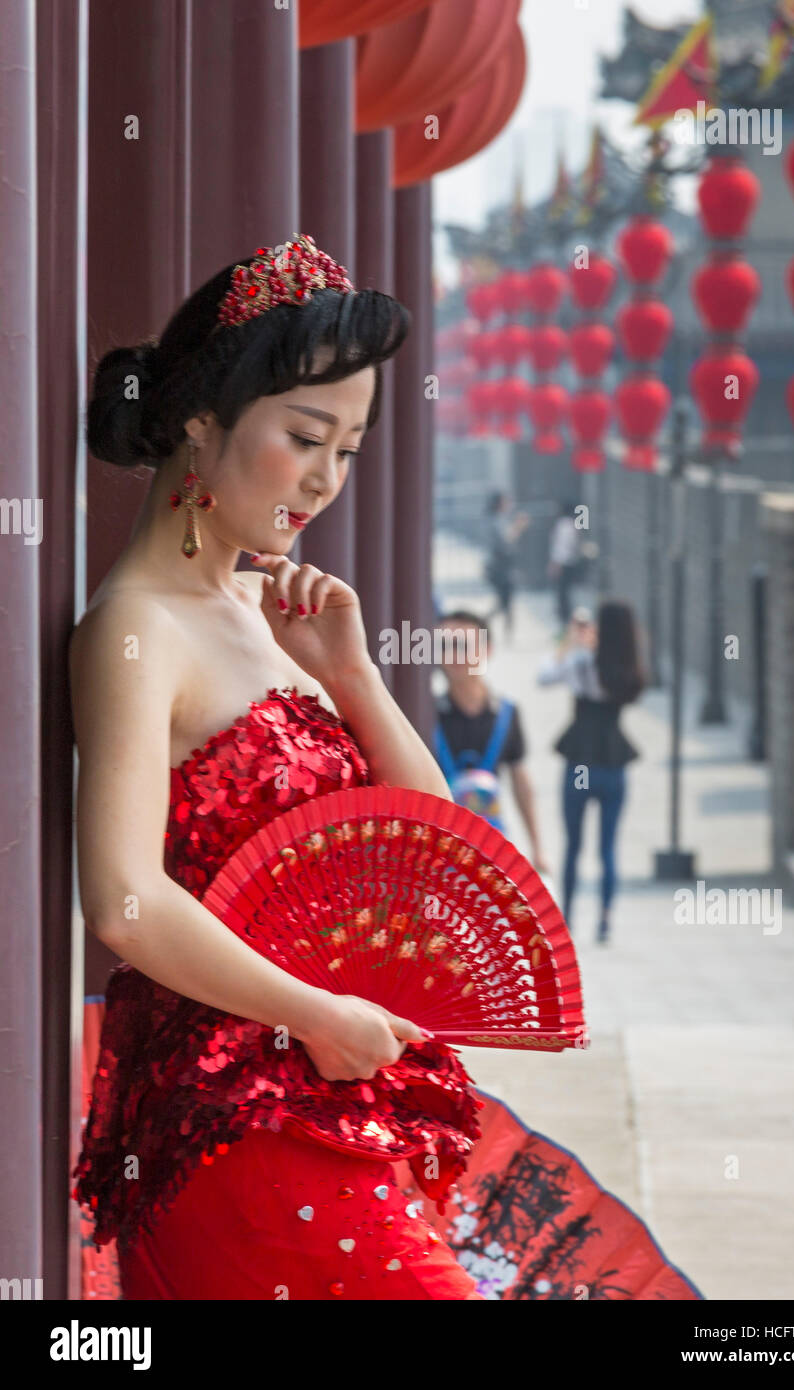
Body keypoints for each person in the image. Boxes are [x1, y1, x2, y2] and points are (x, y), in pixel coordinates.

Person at [71, 236, 697, 1302]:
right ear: (199, 418)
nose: (323, 478)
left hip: (336, 1106)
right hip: (239, 1128)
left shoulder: (259, 614)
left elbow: (434, 844)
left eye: (349, 450)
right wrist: (315, 1012)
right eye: (304, 436)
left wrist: (354, 679)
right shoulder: (136, 627)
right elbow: (125, 903)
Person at [538, 601, 646, 944]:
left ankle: (567, 917)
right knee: (608, 847)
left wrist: (570, 641)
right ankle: (605, 920)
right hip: (614, 762)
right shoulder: (629, 668)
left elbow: (544, 677)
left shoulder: (582, 661)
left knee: (573, 844)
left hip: (581, 762)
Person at [433, 610, 549, 872]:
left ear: (487, 650)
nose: (451, 656)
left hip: (493, 851)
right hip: (439, 851)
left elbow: (520, 779)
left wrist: (537, 848)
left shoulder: (507, 714)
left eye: (461, 646)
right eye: (443, 646)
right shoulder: (425, 714)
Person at [484, 492, 529, 641]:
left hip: (504, 566)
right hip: (500, 567)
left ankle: (507, 634)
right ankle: (483, 624)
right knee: (504, 603)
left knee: (506, 602)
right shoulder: (496, 521)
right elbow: (506, 541)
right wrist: (518, 526)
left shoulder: (499, 520)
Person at [548, 500, 584, 630]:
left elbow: (560, 547)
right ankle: (568, 619)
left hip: (563, 563)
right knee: (567, 592)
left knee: (563, 593)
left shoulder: (563, 525)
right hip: (571, 562)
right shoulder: (573, 524)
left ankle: (565, 620)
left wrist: (556, 563)